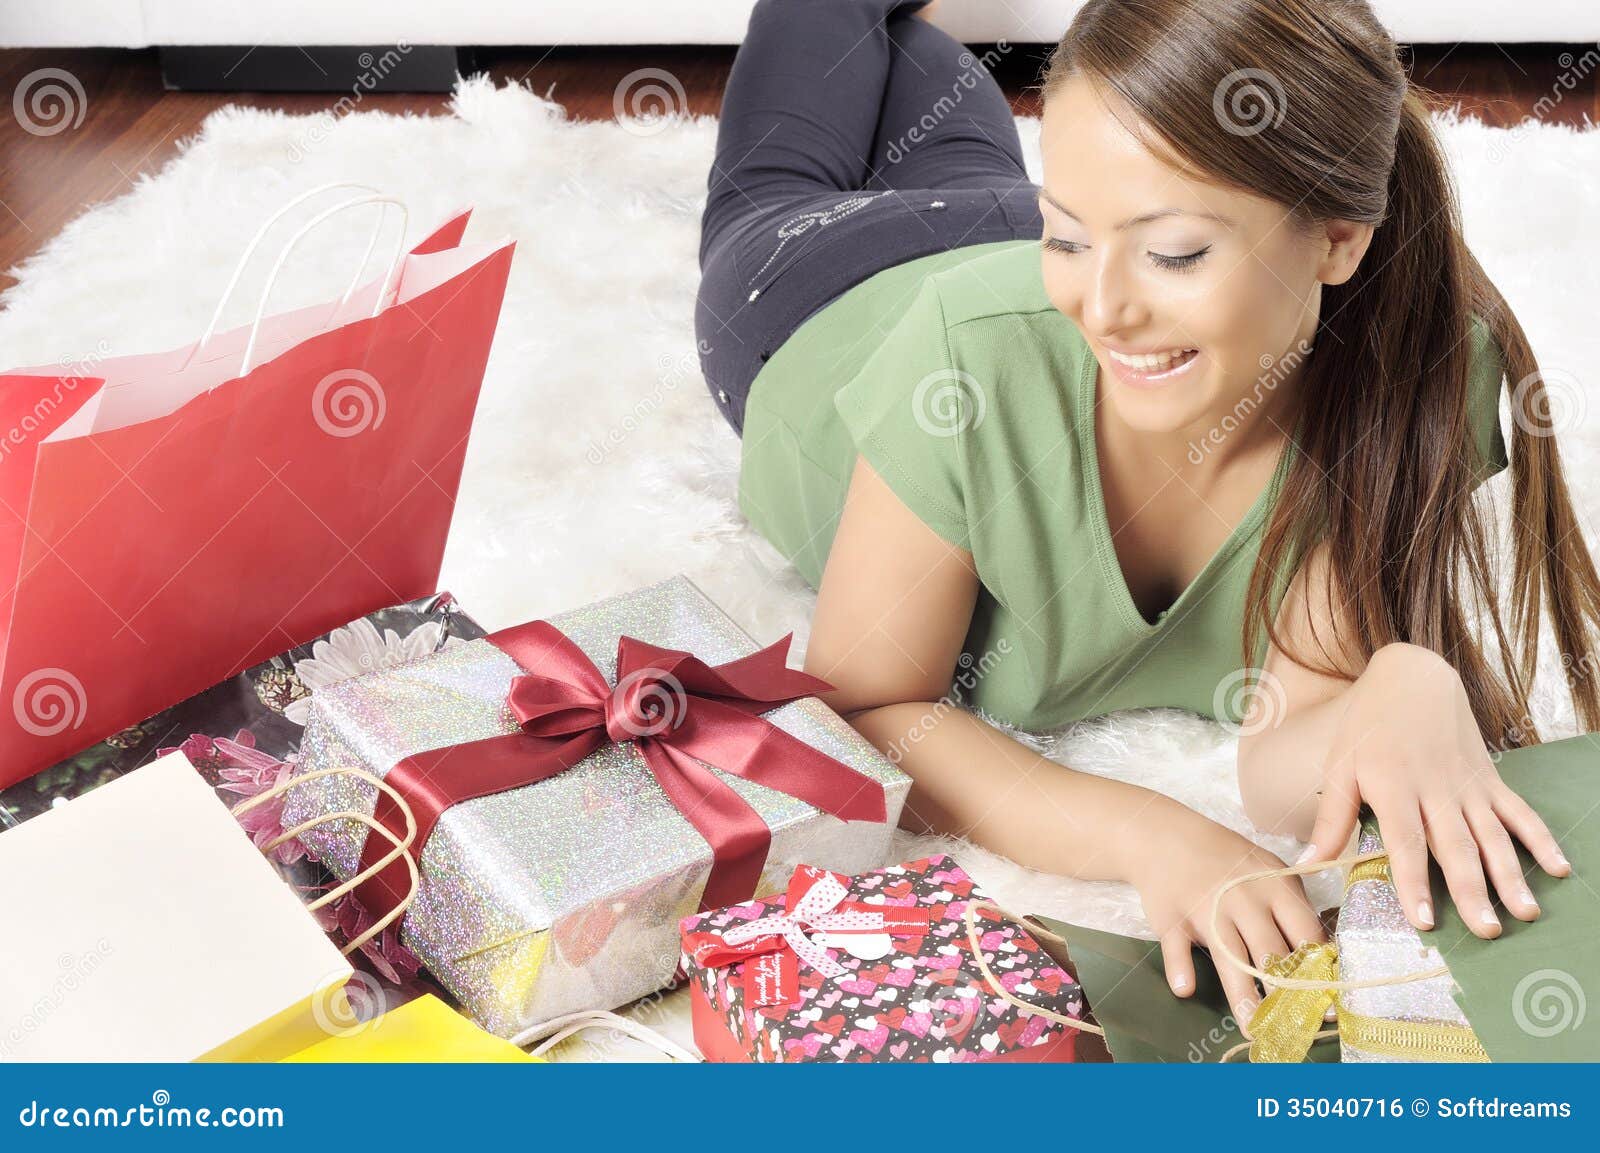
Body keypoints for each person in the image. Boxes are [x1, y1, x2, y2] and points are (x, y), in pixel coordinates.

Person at [694, 0, 1589, 1023]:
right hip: (815, 283)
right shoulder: (970, 356)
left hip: (999, 216)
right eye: (1065, 235)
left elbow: (1293, 736)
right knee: (818, 52)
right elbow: (871, 714)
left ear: (1338, 241)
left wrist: (1408, 679)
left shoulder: (1407, 368)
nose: (1107, 309)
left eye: (1172, 255)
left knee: (912, 55)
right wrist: (1150, 835)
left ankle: (928, 51)